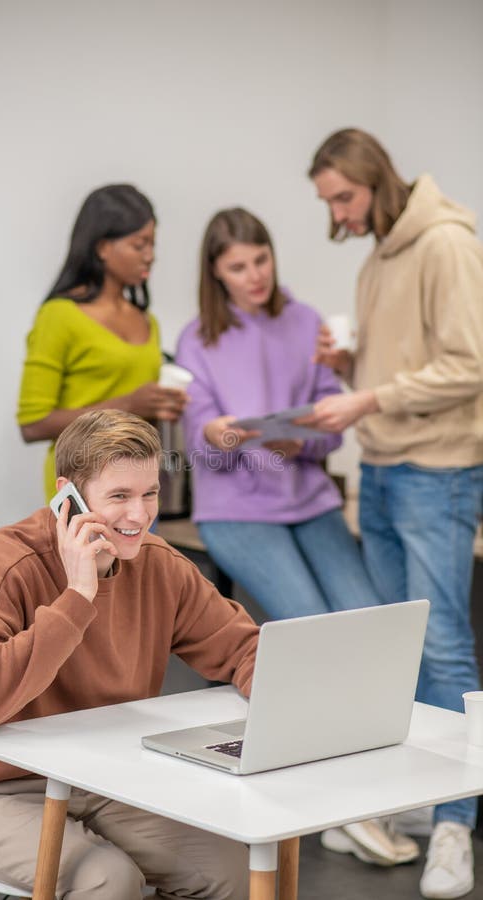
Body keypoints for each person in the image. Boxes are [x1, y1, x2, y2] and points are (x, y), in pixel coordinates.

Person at [0, 409, 258, 900]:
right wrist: (77, 596)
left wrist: (277, 690)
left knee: (229, 869)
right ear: (67, 494)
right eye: (119, 496)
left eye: (149, 494)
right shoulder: (5, 562)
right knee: (107, 881)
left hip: (100, 780)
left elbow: (243, 648)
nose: (139, 516)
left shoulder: (160, 566)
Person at [304, 127, 483, 900]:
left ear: (374, 180)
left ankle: (455, 827)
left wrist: (370, 395)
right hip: (377, 470)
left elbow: (470, 365)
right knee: (397, 644)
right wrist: (354, 367)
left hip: (436, 473)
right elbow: (415, 360)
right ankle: (414, 803)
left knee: (443, 646)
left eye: (343, 197)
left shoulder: (444, 242)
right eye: (327, 202)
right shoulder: (378, 255)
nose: (337, 215)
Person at [175, 207, 383, 621]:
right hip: (235, 510)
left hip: (311, 501)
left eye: (261, 259)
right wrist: (222, 436)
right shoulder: (196, 341)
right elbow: (208, 452)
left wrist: (303, 442)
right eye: (238, 267)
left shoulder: (306, 322)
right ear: (215, 273)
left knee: (367, 617)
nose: (255, 276)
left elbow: (334, 426)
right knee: (311, 620)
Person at [17, 184, 188, 502]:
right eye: (140, 244)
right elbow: (33, 424)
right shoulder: (59, 316)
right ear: (102, 247)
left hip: (139, 487)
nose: (150, 256)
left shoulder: (147, 321)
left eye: (153, 244)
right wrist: (128, 406)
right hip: (83, 487)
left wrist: (162, 407)